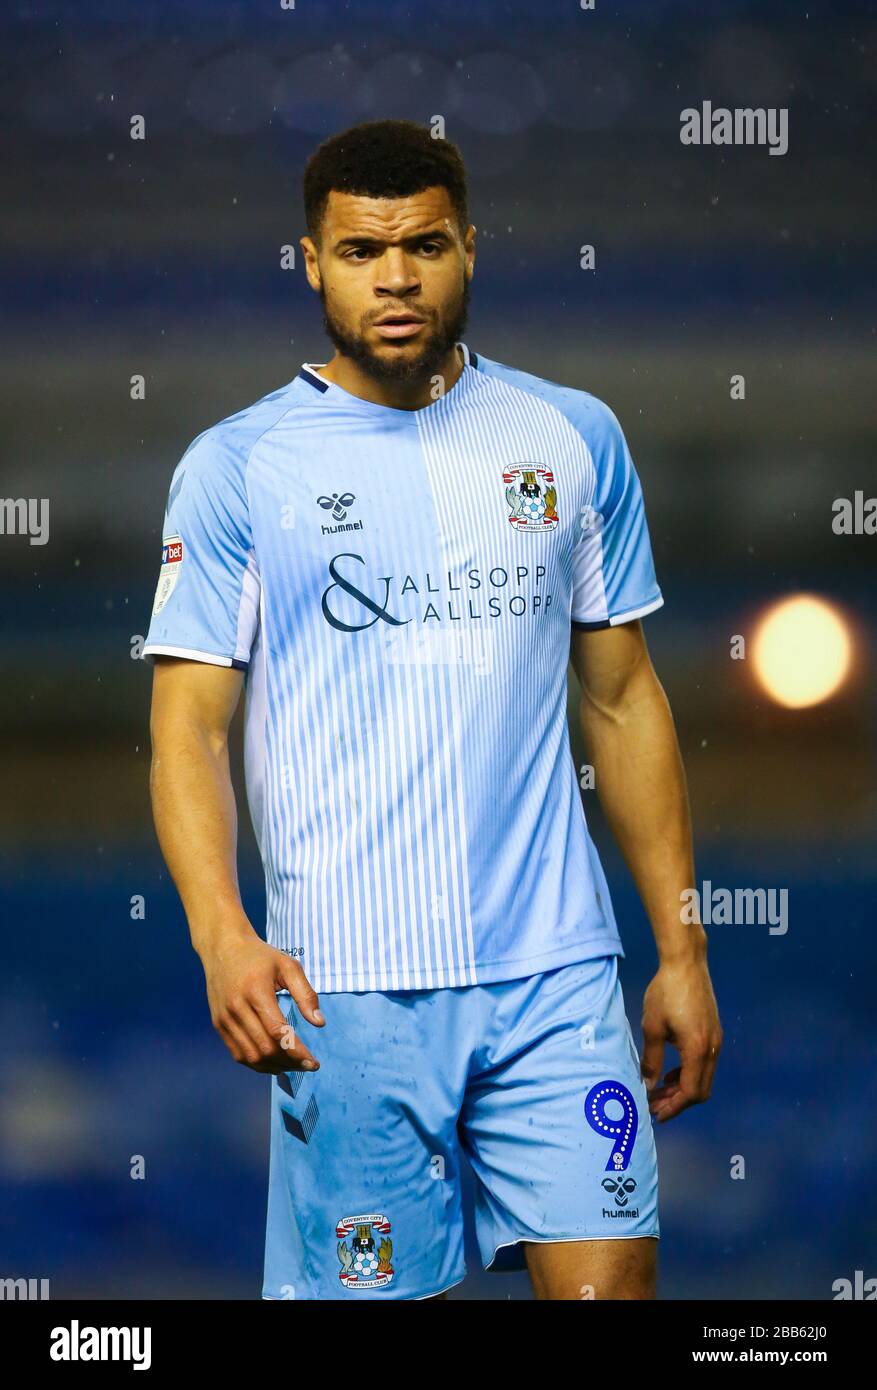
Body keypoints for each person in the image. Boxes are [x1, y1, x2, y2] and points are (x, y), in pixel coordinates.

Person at [144, 119, 721, 1301]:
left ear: (470, 250)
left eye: (424, 247)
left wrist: (679, 947)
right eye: (360, 251)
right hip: (344, 996)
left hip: (557, 977)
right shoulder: (238, 468)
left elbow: (622, 698)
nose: (394, 278)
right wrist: (220, 935)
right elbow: (189, 727)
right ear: (310, 262)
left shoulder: (571, 438)